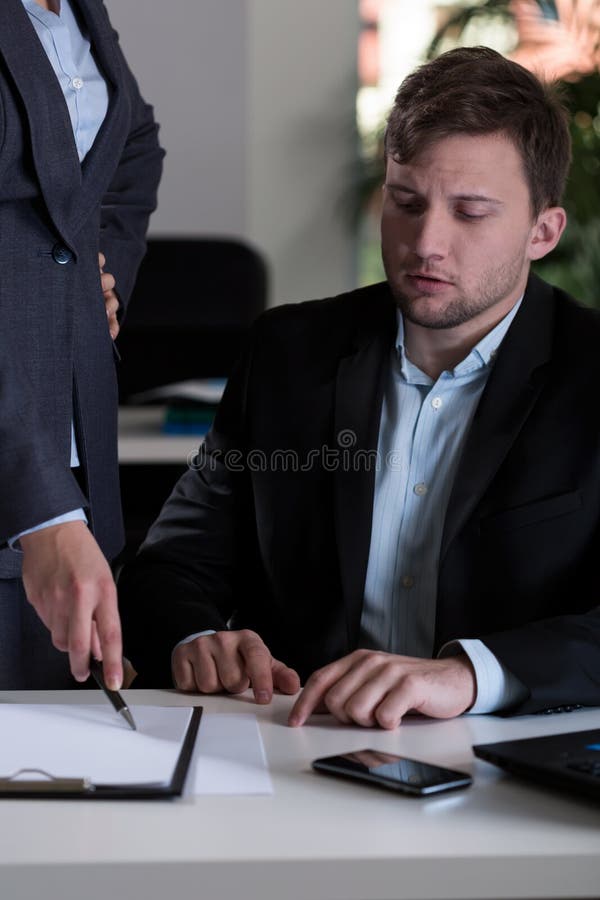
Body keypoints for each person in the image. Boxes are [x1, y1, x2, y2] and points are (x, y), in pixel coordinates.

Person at [118, 46, 600, 729]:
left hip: (505, 761)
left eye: (470, 212)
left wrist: (467, 675)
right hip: (294, 745)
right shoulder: (289, 352)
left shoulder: (589, 371)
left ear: (543, 231)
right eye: (406, 203)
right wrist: (196, 637)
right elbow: (171, 564)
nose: (426, 241)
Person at [0, 0, 164, 689]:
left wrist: (102, 274)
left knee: (54, 773)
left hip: (65, 458)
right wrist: (45, 509)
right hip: (27, 478)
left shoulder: (75, 8)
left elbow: (134, 142)